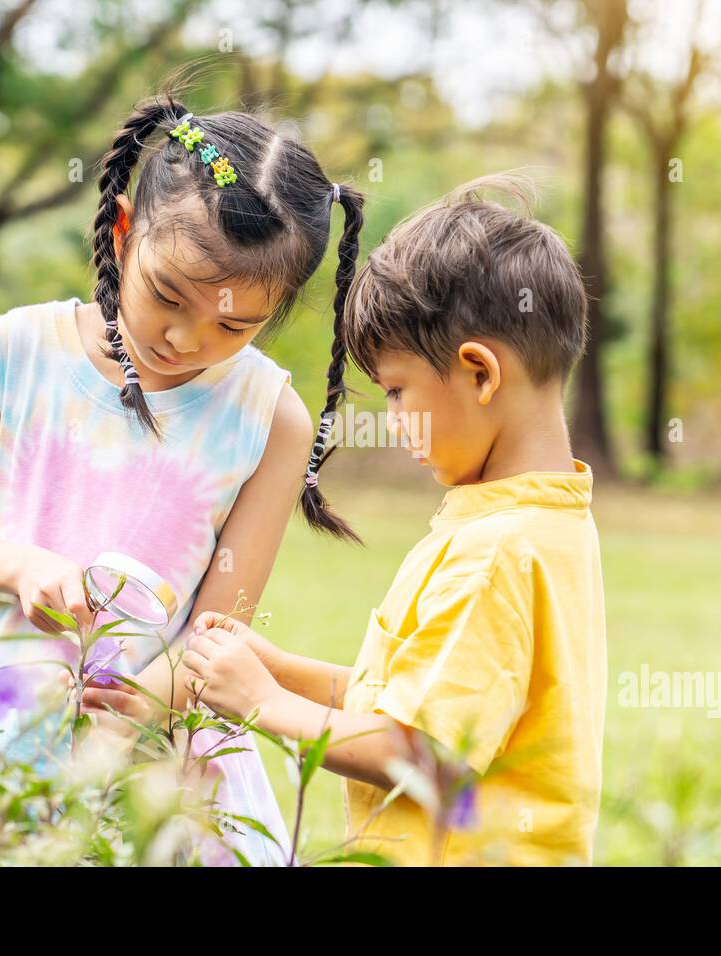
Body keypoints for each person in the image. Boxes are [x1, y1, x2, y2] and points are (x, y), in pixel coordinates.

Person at [89, 175, 608, 866]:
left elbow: (422, 756)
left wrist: (263, 703)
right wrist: (281, 670)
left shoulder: (495, 552)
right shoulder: (548, 523)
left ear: (480, 373)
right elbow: (417, 701)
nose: (394, 423)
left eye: (397, 392)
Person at [0, 89, 365, 866]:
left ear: (278, 307)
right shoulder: (22, 348)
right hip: (1, 725)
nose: (186, 339)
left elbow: (223, 630)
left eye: (234, 325)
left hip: (160, 763)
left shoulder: (271, 419)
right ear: (123, 233)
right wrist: (24, 565)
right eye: (167, 295)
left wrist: (131, 715)